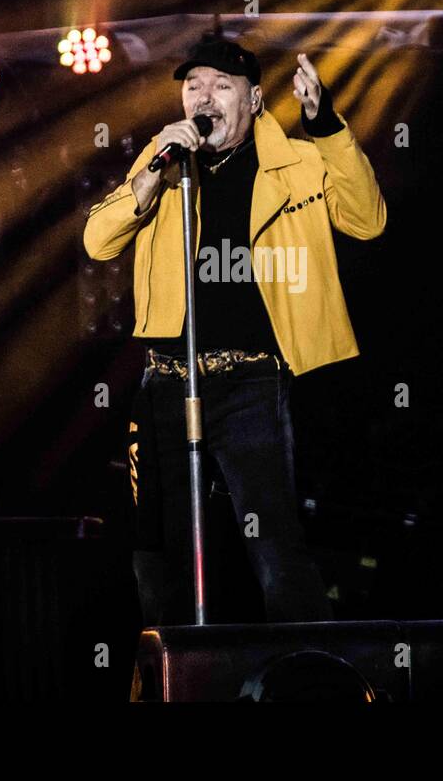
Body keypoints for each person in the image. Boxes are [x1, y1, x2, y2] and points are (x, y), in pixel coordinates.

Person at [83, 35, 386, 625]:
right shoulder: (164, 159)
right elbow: (98, 240)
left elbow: (368, 219)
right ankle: (170, 675)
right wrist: (150, 176)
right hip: (168, 382)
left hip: (250, 382)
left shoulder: (298, 161)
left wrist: (325, 124)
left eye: (222, 86)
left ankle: (304, 676)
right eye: (193, 86)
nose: (205, 97)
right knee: (156, 551)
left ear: (253, 99)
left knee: (273, 544)